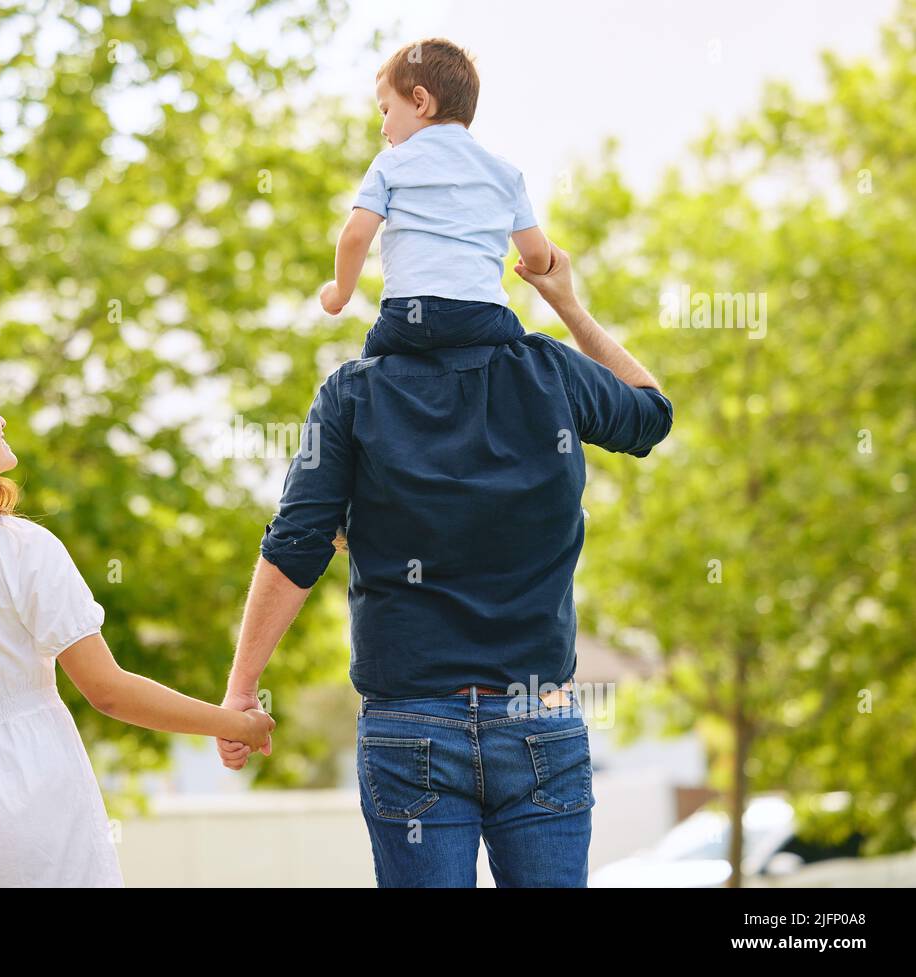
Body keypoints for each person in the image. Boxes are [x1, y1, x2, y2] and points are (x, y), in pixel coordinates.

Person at [218, 244, 674, 887]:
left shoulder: (353, 394)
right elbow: (650, 416)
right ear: (489, 271)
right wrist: (567, 304)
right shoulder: (550, 372)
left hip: (410, 727)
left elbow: (296, 545)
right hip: (537, 721)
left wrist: (242, 688)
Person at [0, 364, 273, 887]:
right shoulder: (22, 549)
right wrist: (237, 724)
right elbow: (107, 691)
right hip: (33, 795)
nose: (0, 418)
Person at [318, 37, 553, 359]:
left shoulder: (391, 162)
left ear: (419, 101)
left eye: (385, 110)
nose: (384, 127)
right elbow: (537, 255)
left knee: (370, 370)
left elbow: (356, 236)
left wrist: (340, 292)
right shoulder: (505, 174)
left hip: (410, 314)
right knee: (518, 356)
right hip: (482, 316)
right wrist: (536, 264)